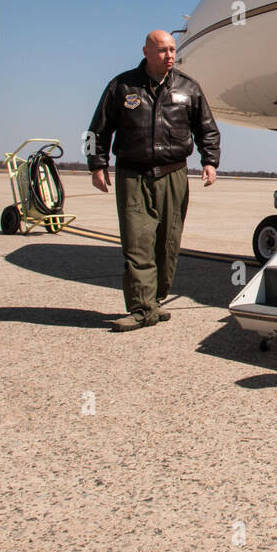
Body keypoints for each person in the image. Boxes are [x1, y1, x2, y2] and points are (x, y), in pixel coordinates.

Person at [87, 30, 220, 331]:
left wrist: (210, 161)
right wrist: (97, 165)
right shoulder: (122, 86)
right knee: (137, 242)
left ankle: (154, 301)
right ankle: (141, 308)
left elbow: (207, 129)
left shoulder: (189, 88)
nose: (170, 56)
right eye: (162, 50)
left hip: (174, 174)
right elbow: (98, 130)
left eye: (172, 50)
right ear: (146, 52)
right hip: (133, 174)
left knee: (168, 244)